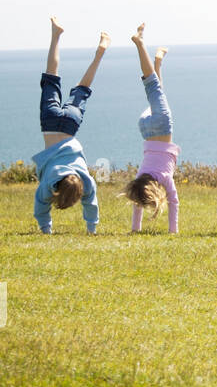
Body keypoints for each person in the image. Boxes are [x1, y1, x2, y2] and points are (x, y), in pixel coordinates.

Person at [31, 17, 106, 234]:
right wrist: (46, 229)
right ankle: (56, 35)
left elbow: (92, 205)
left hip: (70, 125)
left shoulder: (87, 181)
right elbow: (40, 209)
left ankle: (100, 53)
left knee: (82, 88)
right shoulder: (47, 187)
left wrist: (92, 229)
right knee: (51, 77)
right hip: (50, 121)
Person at [124, 24, 180, 233]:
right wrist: (135, 229)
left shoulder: (164, 178)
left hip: (161, 126)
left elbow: (174, 203)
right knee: (158, 94)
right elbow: (137, 204)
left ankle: (140, 43)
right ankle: (158, 61)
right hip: (145, 128)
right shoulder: (140, 175)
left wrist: (173, 232)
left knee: (152, 87)